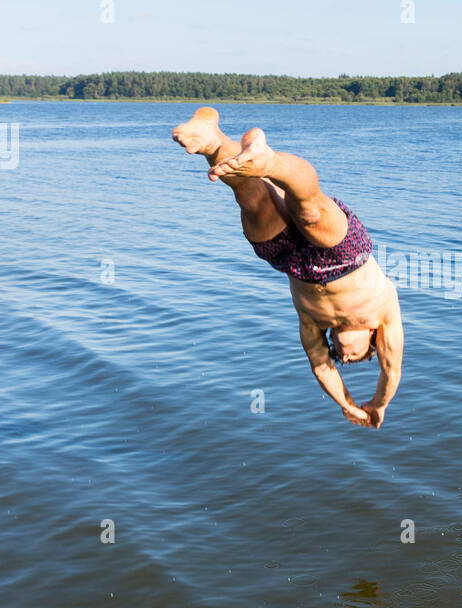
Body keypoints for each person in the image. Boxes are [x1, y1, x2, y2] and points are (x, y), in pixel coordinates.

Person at [172, 108, 403, 427]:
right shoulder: (385, 315)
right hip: (344, 256)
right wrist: (379, 404)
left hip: (289, 261)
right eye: (358, 355)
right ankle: (270, 162)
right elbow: (391, 370)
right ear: (372, 339)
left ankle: (211, 138)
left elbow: (321, 366)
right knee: (309, 209)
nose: (344, 355)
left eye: (341, 356)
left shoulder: (313, 325)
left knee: (251, 198)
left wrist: (348, 405)